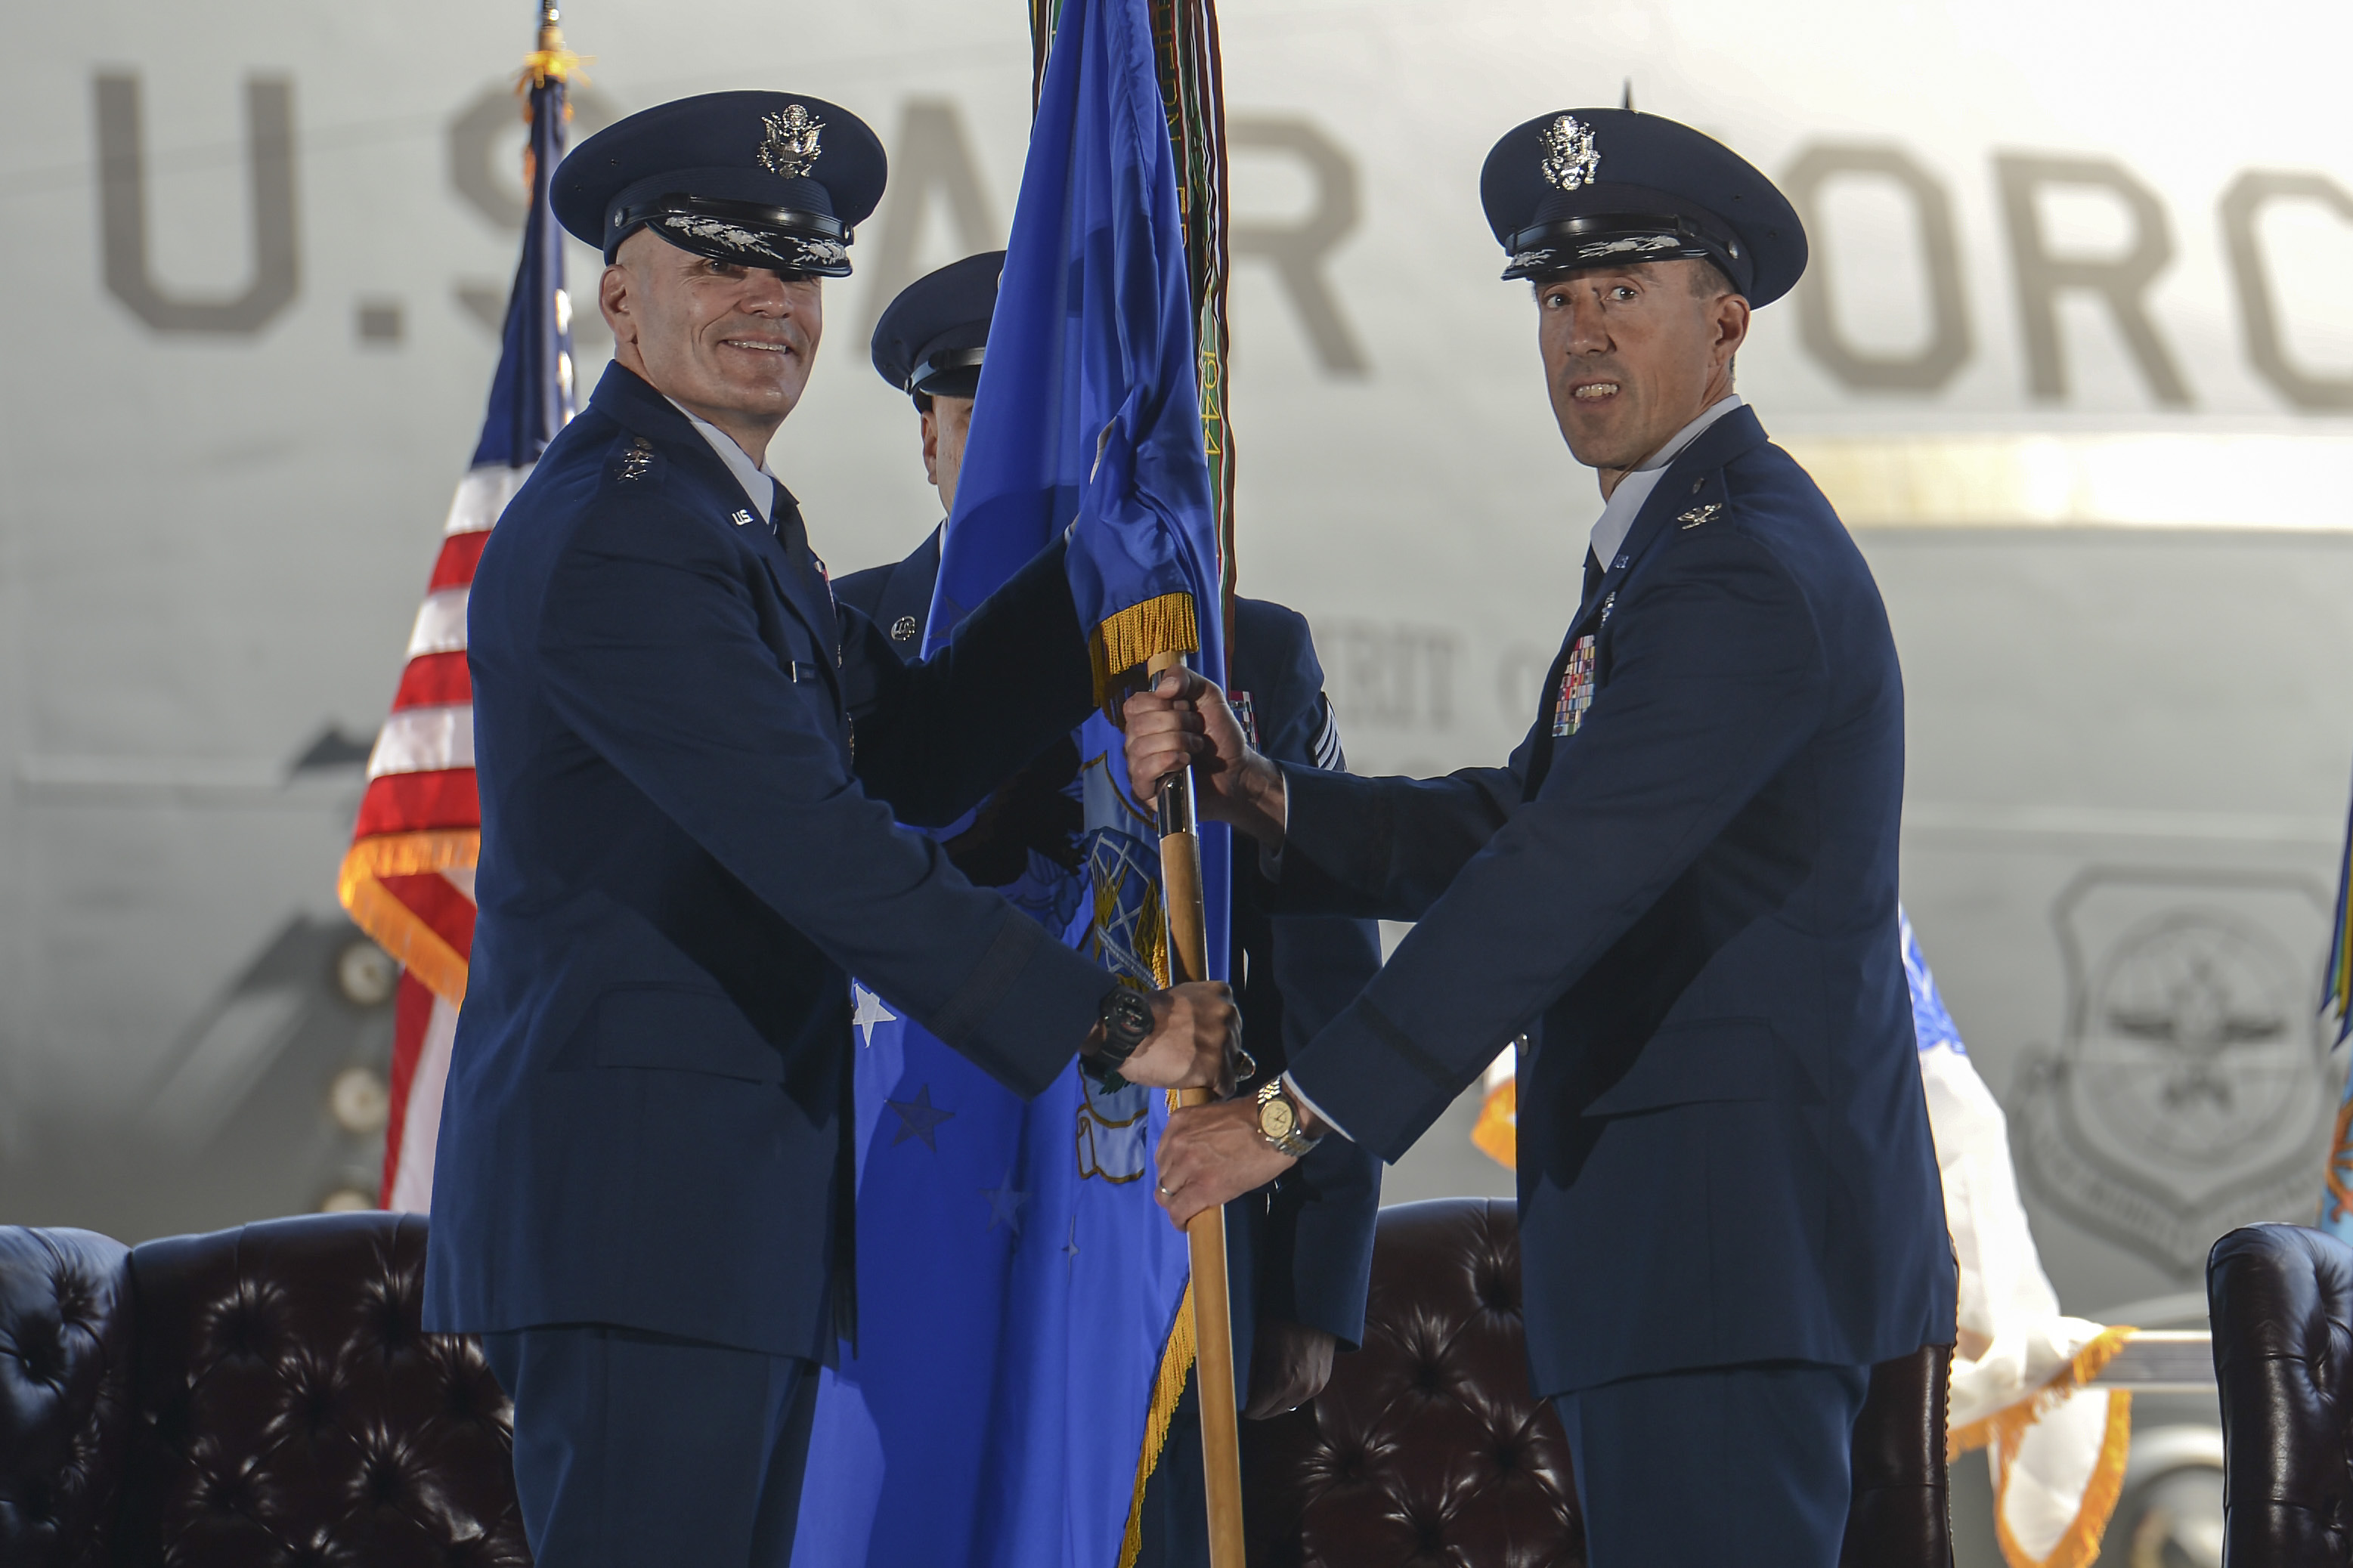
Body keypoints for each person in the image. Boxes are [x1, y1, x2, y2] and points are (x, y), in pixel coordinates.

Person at [421, 92, 1237, 1568]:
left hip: (715, 1220)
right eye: (721, 260)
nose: (766, 301)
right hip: (638, 1219)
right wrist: (1112, 1026)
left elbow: (910, 754)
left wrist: (1092, 578)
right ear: (620, 295)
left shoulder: (728, 521)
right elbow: (819, 842)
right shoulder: (622, 534)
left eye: (794, 269)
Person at [1130, 108, 1955, 1567]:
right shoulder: (1676, 547)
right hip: (1680, 1261)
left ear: (1726, 321)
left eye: (1624, 295)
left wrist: (1285, 1120)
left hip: (1725, 1262)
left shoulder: (1737, 570)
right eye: (1556, 299)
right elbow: (1526, 817)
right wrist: (1273, 800)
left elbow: (1556, 880)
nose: (1582, 336)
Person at [848, 258, 1385, 1564]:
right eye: (983, 424)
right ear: (926, 436)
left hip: (1157, 1220)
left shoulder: (1239, 650)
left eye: (1054, 435)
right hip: (896, 1215)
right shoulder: (850, 638)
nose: (1021, 473)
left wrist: (1313, 1270)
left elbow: (1319, 958)